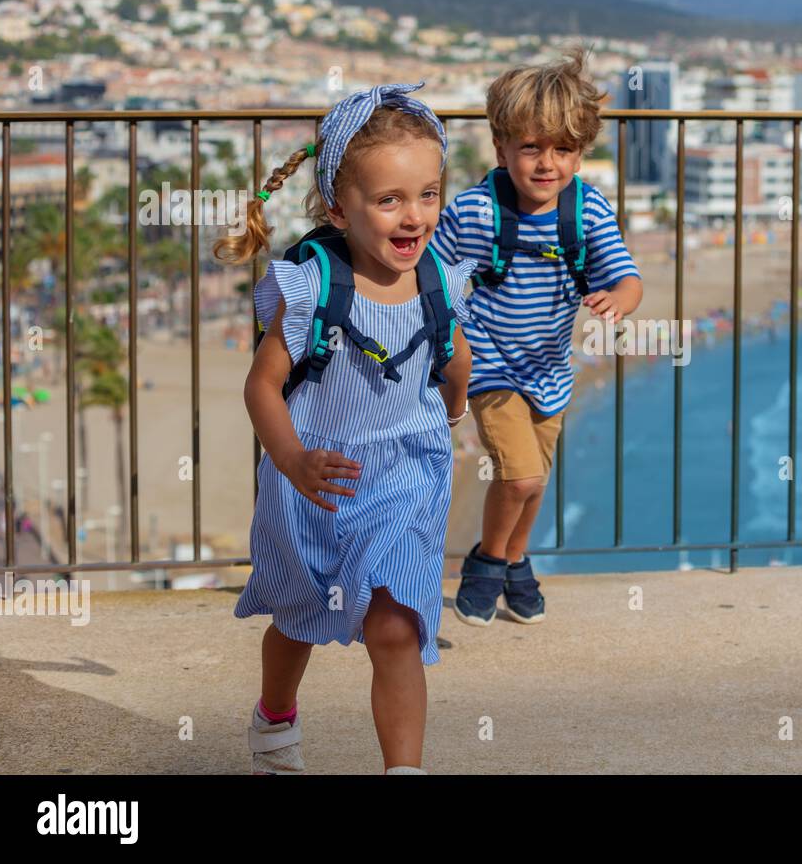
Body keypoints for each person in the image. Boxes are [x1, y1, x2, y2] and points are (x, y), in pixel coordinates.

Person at [213, 83, 478, 774]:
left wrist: (454, 405)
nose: (413, 215)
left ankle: (404, 769)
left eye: (427, 194)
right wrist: (294, 461)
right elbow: (261, 386)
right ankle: (275, 714)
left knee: (394, 626)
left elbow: (453, 351)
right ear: (339, 206)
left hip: (404, 478)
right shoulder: (314, 288)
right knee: (297, 619)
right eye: (389, 200)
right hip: (313, 482)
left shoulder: (437, 280)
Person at [431, 50, 643, 626]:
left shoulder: (587, 210)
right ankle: (486, 563)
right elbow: (431, 274)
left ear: (581, 152)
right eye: (531, 148)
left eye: (563, 149)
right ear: (501, 149)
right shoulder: (476, 211)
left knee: (537, 478)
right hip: (488, 361)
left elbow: (626, 275)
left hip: (550, 366)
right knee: (519, 474)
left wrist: (619, 301)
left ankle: (515, 561)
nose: (547, 163)